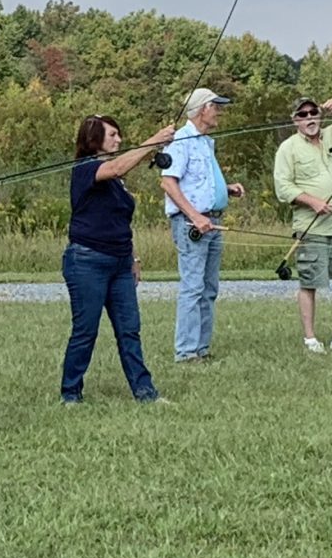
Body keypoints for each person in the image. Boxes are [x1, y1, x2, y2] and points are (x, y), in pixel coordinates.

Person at [60, 115, 176, 404]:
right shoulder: (86, 169)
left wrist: (133, 256)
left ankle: (145, 393)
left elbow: (119, 220)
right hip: (87, 261)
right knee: (86, 331)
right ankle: (70, 394)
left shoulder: (116, 183)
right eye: (112, 135)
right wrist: (155, 140)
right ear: (94, 138)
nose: (119, 139)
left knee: (129, 329)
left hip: (121, 263)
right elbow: (117, 167)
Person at [273, 97, 332, 354]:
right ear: (295, 120)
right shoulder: (288, 149)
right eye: (302, 115)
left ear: (320, 115)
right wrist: (312, 201)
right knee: (310, 282)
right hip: (313, 227)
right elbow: (283, 188)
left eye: (313, 112)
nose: (309, 118)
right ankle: (311, 339)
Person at [161, 88, 246, 363]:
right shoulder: (181, 140)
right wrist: (195, 216)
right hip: (192, 224)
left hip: (213, 222)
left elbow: (198, 181)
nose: (219, 112)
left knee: (209, 288)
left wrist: (226, 188)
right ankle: (185, 352)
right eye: (215, 106)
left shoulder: (205, 142)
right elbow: (168, 182)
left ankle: (201, 348)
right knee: (193, 287)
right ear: (201, 109)